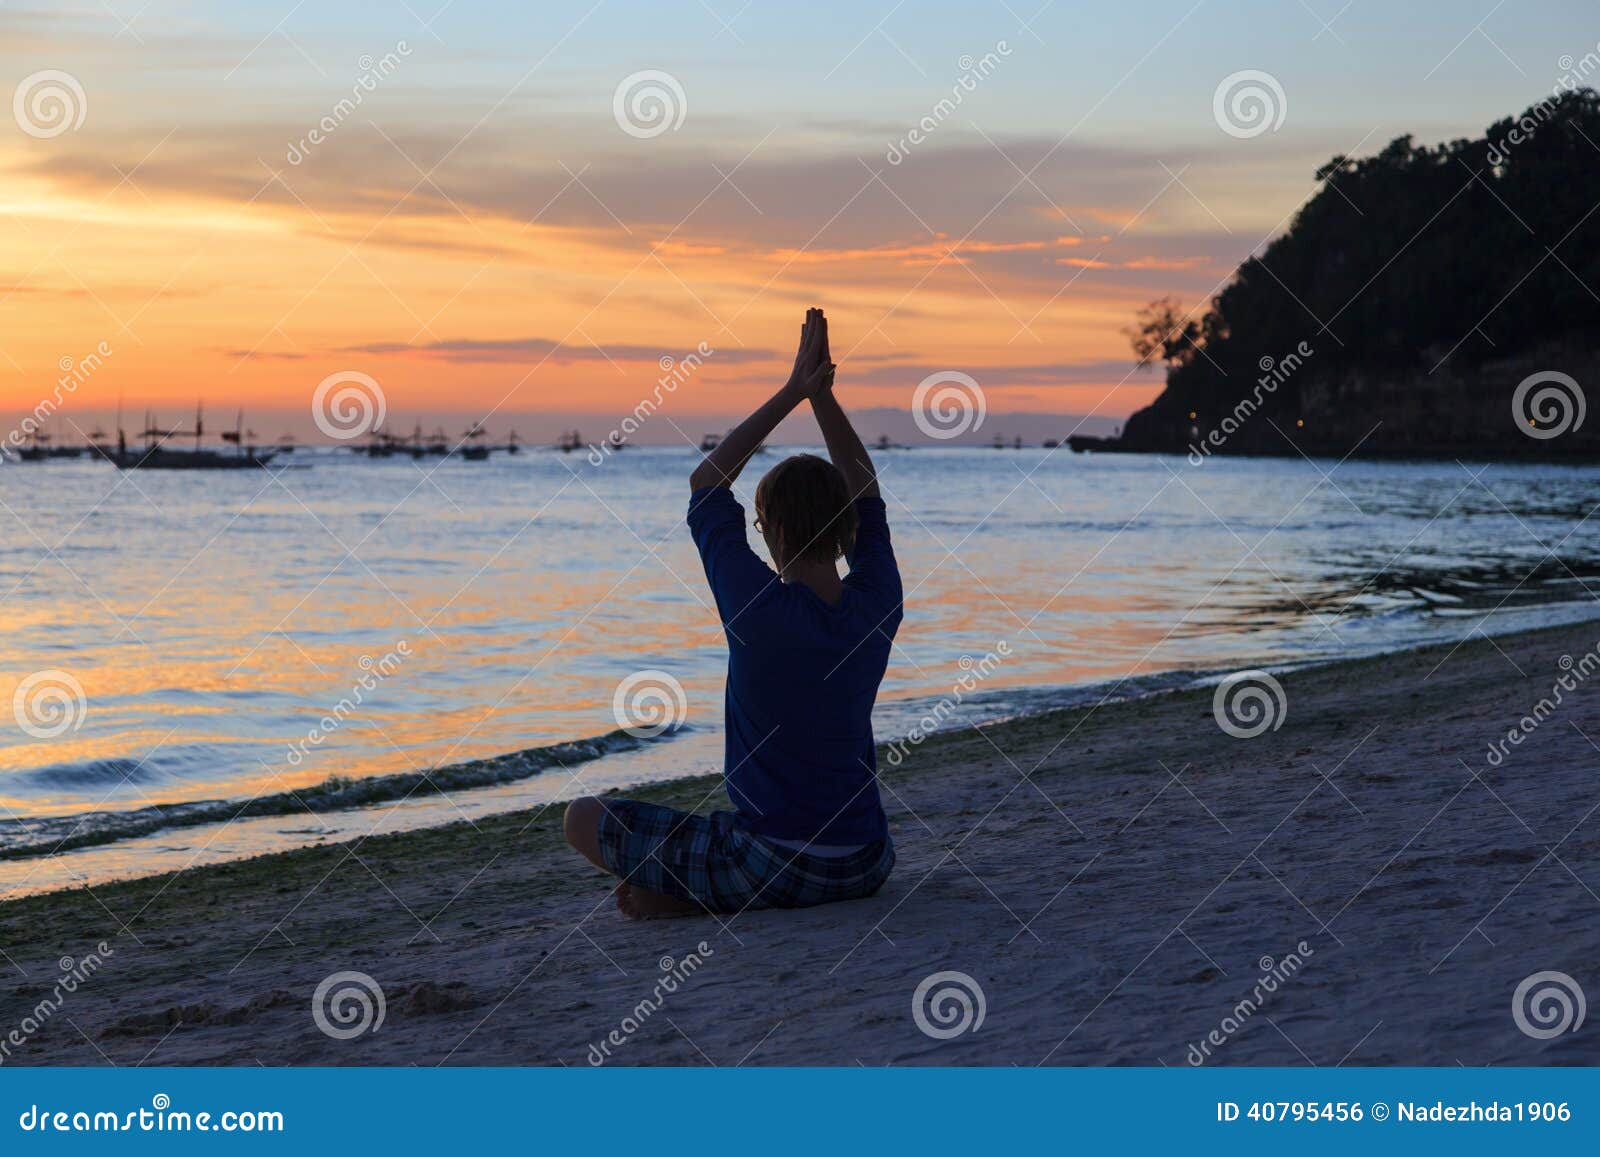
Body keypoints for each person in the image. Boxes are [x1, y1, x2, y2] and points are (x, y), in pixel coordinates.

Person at [564, 308, 904, 918]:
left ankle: (697, 898)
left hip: (772, 857)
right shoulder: (877, 605)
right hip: (866, 861)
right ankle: (691, 897)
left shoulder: (757, 610)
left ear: (767, 532)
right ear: (848, 528)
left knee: (582, 817)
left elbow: (705, 487)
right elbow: (866, 492)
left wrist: (794, 391)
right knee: (696, 856)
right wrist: (822, 398)